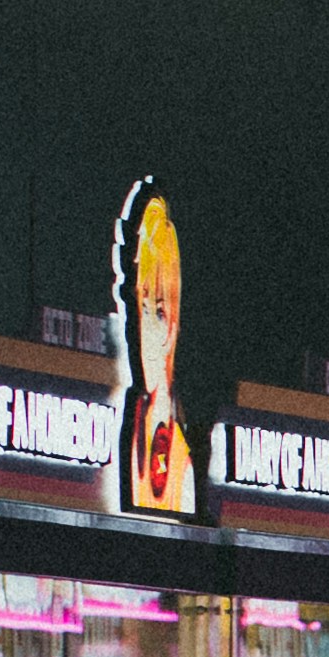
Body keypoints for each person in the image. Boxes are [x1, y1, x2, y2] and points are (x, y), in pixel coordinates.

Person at [116, 179, 197, 517]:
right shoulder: (129, 423)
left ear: (172, 325)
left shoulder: (182, 465)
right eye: (143, 304)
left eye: (158, 311)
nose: (145, 324)